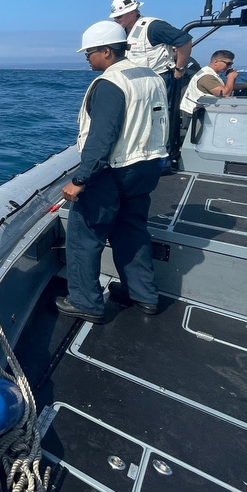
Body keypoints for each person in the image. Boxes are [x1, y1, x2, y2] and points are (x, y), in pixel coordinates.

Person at [55, 21, 169, 324]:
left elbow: (102, 137)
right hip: (147, 167)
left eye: (89, 52)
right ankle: (143, 295)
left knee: (84, 236)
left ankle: (85, 303)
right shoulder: (152, 75)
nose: (87, 58)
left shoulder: (110, 83)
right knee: (132, 230)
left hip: (113, 172)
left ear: (106, 51)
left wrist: (80, 179)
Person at [109, 0, 194, 94]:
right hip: (136, 83)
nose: (116, 20)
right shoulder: (122, 32)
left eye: (119, 16)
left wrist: (179, 69)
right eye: (114, 17)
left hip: (159, 81)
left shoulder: (154, 26)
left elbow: (185, 41)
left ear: (132, 13)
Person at [179, 50, 247, 116]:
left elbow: (225, 86)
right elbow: (225, 94)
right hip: (195, 115)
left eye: (231, 64)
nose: (230, 66)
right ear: (216, 62)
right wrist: (231, 78)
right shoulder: (207, 77)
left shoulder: (211, 73)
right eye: (228, 63)